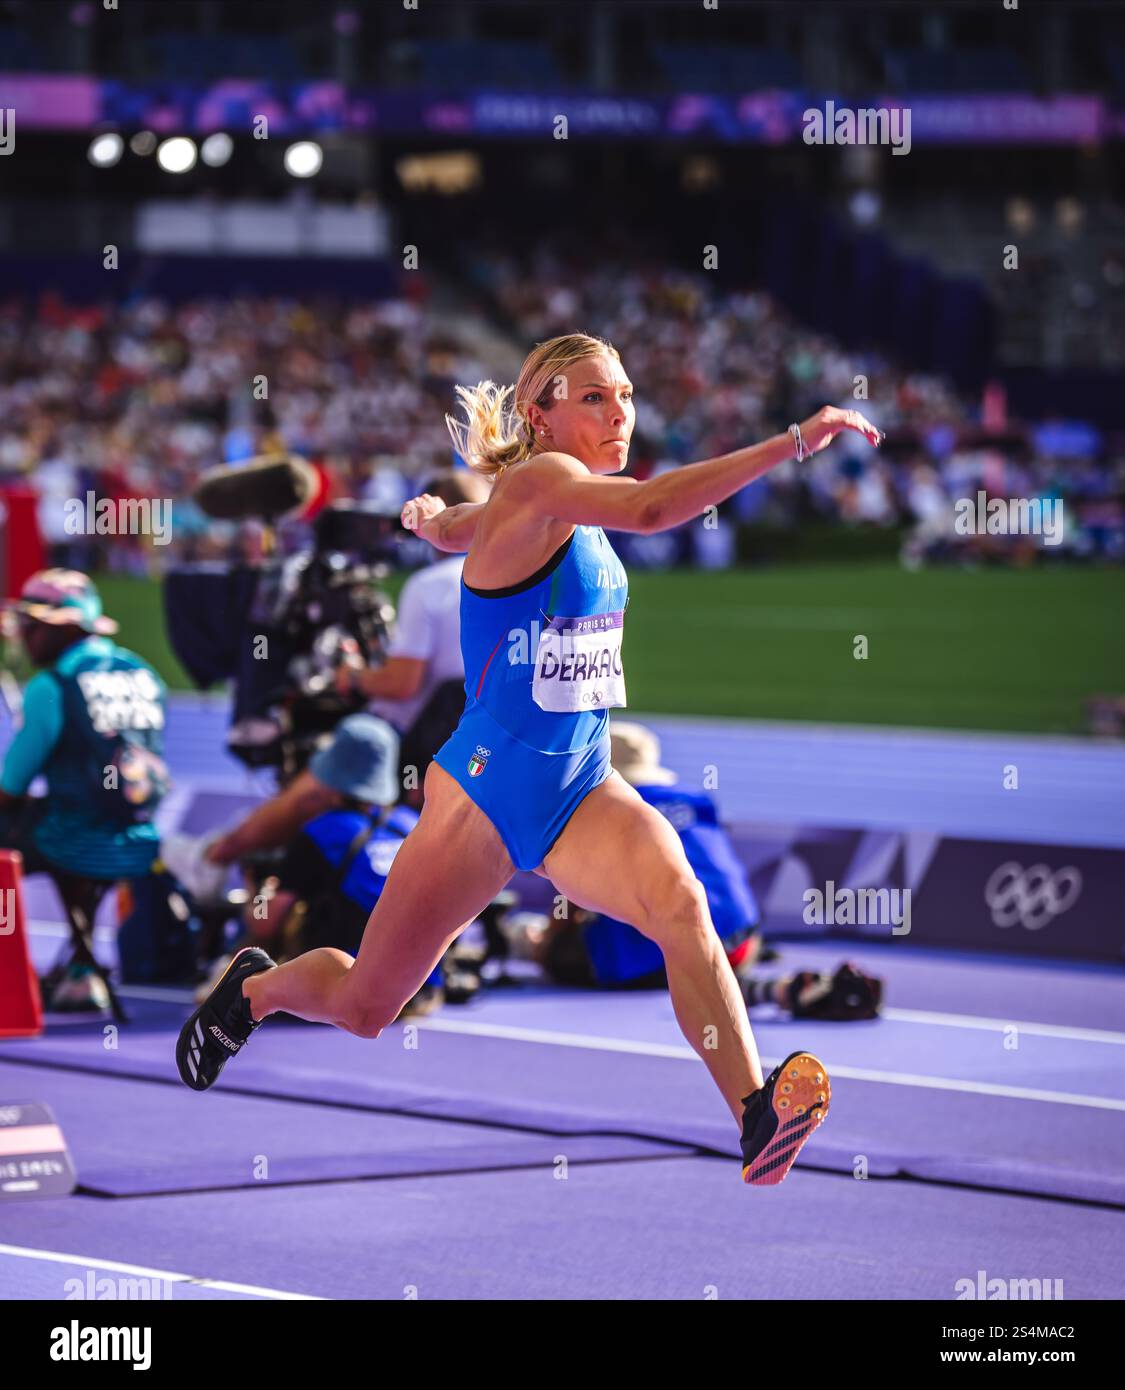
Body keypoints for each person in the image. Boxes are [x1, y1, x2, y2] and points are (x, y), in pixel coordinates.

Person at [177, 332, 882, 1186]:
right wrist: (794, 441)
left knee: (681, 902)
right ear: (540, 411)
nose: (618, 411)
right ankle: (255, 990)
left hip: (578, 784)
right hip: (483, 790)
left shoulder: (548, 498)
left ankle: (752, 1113)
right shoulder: (544, 480)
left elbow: (468, 527)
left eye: (623, 394)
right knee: (368, 1006)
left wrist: (437, 523)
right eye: (593, 397)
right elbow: (656, 511)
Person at [190, 715, 445, 1018]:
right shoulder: (410, 824)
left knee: (265, 927)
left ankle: (231, 989)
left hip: (352, 995)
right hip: (420, 991)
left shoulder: (322, 833)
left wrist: (256, 890)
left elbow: (265, 922)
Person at [0, 570, 168, 1009]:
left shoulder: (52, 685)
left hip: (75, 842)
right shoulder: (145, 673)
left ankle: (48, 970)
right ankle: (80, 967)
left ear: (66, 628)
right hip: (141, 843)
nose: (24, 635)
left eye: (32, 626)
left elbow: (11, 786)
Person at [334, 468, 490, 808]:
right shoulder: (516, 579)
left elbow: (402, 684)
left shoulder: (428, 585)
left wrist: (353, 677)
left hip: (423, 748)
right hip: (488, 747)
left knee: (337, 761)